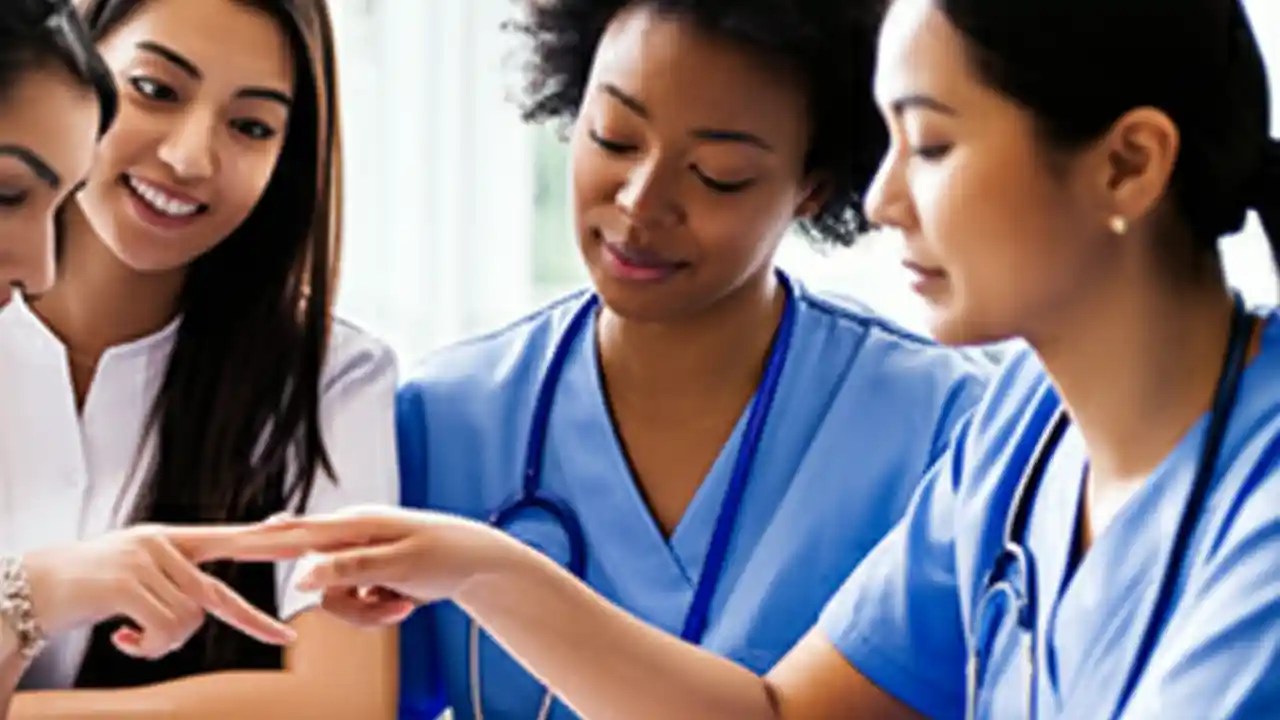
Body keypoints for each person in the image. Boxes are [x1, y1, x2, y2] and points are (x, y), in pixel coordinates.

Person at [242, 0, 1280, 718]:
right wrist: (482, 567)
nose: (883, 202)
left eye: (927, 147)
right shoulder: (1017, 444)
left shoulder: (1250, 492)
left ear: (1127, 163)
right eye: (612, 136)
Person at [393, 0, 989, 717]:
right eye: (613, 138)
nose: (642, 203)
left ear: (812, 188)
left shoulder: (941, 425)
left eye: (719, 174)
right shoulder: (444, 419)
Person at [0, 0, 398, 717]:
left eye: (250, 126)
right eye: (155, 90)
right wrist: (42, 589)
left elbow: (341, 704)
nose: (190, 158)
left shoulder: (331, 375)